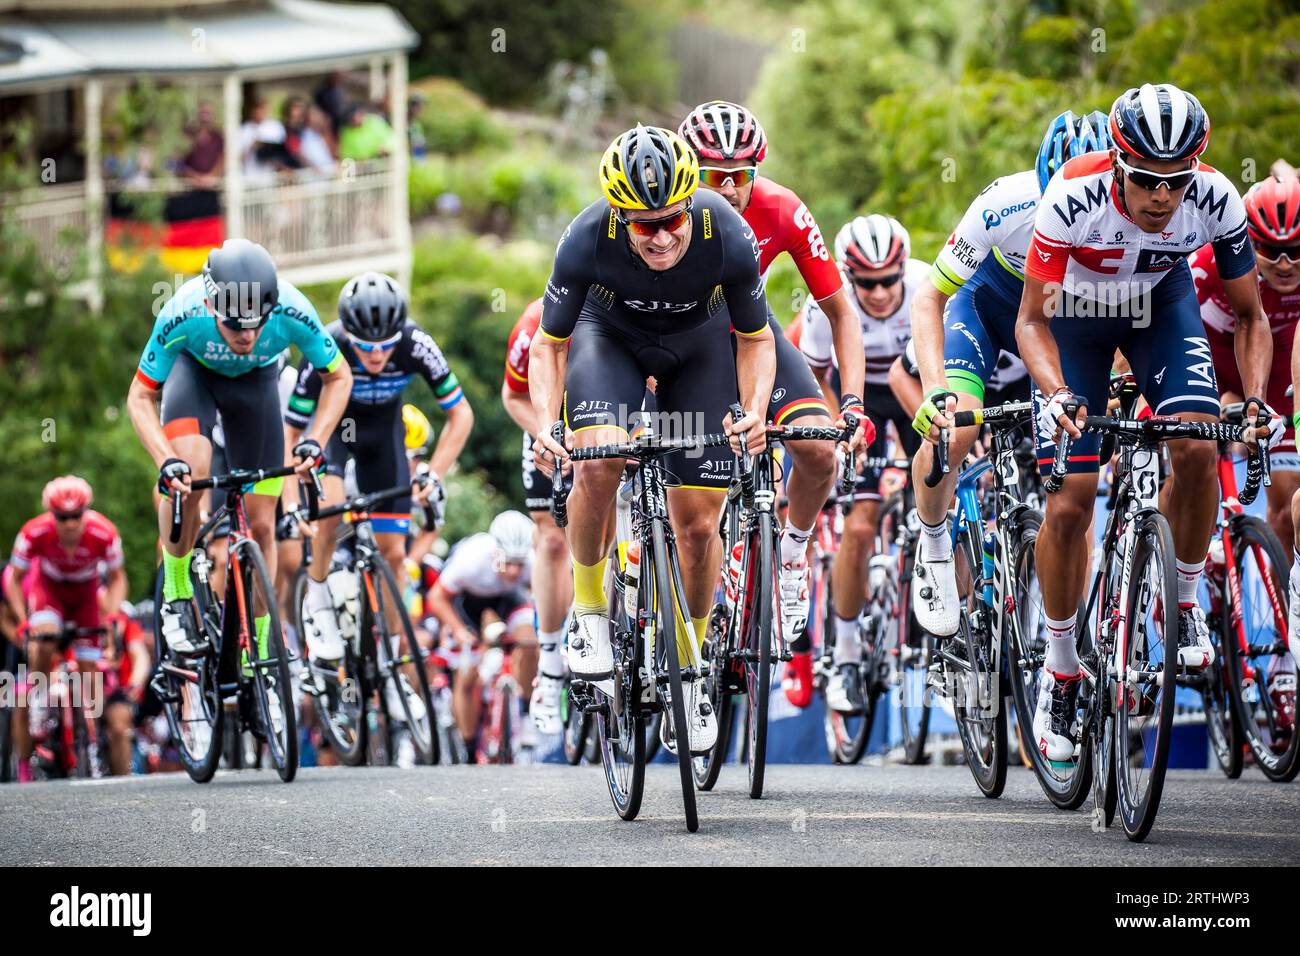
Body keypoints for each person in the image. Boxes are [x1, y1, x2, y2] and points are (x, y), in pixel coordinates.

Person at [1015, 84, 1274, 762]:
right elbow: (1031, 320)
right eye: (1148, 182)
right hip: (1076, 319)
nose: (1164, 198)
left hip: (1160, 307)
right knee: (1070, 504)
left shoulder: (1216, 198)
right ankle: (1062, 669)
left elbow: (1252, 316)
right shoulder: (1071, 194)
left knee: (1195, 443)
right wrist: (1058, 394)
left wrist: (1249, 402)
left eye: (1177, 182)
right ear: (1117, 165)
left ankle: (1184, 595)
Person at [529, 124, 777, 756]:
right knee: (601, 459)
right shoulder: (586, 236)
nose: (663, 235)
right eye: (644, 225)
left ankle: (693, 667)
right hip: (607, 340)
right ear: (620, 216)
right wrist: (547, 424)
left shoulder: (726, 230)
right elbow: (550, 345)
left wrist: (752, 411)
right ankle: (589, 613)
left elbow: (755, 338)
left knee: (698, 526)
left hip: (699, 349)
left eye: (672, 218)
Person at [678, 100, 867, 708]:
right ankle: (683, 640)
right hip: (688, 351)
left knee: (818, 451)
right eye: (714, 175)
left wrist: (855, 403)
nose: (730, 188)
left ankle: (790, 555)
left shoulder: (782, 208)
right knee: (698, 518)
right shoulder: (665, 214)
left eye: (742, 173)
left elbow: (841, 311)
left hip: (757, 339)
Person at [907, 109, 1112, 644]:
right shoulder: (1004, 203)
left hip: (1057, 327)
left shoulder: (1123, 216)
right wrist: (934, 389)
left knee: (1073, 493)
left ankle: (1067, 636)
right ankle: (931, 542)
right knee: (959, 427)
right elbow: (931, 295)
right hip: (987, 309)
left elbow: (1128, 315)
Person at [126, 238, 352, 661]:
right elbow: (139, 396)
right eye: (235, 325)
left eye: (257, 324)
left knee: (263, 527)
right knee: (189, 473)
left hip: (257, 388)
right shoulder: (182, 312)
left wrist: (315, 441)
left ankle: (260, 649)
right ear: (212, 307)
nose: (247, 335)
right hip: (194, 378)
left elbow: (339, 377)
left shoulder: (291, 307)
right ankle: (176, 590)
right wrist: (164, 460)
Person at [283, 272, 469, 718]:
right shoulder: (326, 344)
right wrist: (292, 500)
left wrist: (434, 474)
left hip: (384, 438)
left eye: (385, 345)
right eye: (365, 347)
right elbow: (292, 428)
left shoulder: (415, 342)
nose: (376, 355)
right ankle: (319, 602)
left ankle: (387, 659)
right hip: (333, 434)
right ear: (347, 334)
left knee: (393, 554)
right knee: (327, 511)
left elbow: (460, 414)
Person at [796, 215, 926, 711]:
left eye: (888, 280)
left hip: (911, 386)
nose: (878, 292)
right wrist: (844, 427)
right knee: (861, 523)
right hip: (856, 395)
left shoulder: (926, 283)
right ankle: (847, 656)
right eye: (865, 283)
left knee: (949, 503)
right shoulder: (824, 302)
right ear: (849, 277)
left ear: (902, 270)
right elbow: (815, 375)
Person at [1193, 174, 1300, 552]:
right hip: (1208, 364)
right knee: (1192, 469)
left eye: (1297, 249)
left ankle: (1289, 608)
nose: (1285, 264)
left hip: (1274, 372)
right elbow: (1162, 326)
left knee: (1289, 506)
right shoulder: (1209, 264)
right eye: (1270, 250)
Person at [3, 477, 126, 782]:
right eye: (62, 517)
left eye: (76, 516)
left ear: (86, 511)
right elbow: (13, 578)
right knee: (44, 641)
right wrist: (23, 620)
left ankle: (91, 736)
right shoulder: (34, 531)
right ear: (51, 514)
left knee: (90, 670)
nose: (70, 524)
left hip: (85, 594)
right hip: (51, 592)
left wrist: (110, 615)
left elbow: (118, 577)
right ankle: (40, 703)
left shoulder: (105, 532)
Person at [501, 296, 574, 733]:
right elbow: (512, 397)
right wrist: (546, 437)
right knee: (551, 538)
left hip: (613, 412)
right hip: (548, 422)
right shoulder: (532, 324)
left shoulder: (628, 305)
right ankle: (549, 662)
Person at [422, 511, 536, 758]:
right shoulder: (472, 560)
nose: (515, 571)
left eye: (520, 563)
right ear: (495, 553)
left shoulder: (532, 562)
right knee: (467, 674)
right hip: (466, 604)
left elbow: (542, 601)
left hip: (507, 599)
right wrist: (459, 630)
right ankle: (469, 746)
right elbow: (436, 598)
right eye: (509, 562)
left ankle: (526, 711)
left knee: (530, 641)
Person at [180, 101, 224, 189]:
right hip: (190, 187)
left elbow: (223, 159)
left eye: (208, 113)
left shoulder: (218, 137)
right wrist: (195, 177)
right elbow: (180, 161)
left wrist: (211, 177)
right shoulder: (188, 136)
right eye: (203, 113)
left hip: (213, 188)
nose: (205, 117)